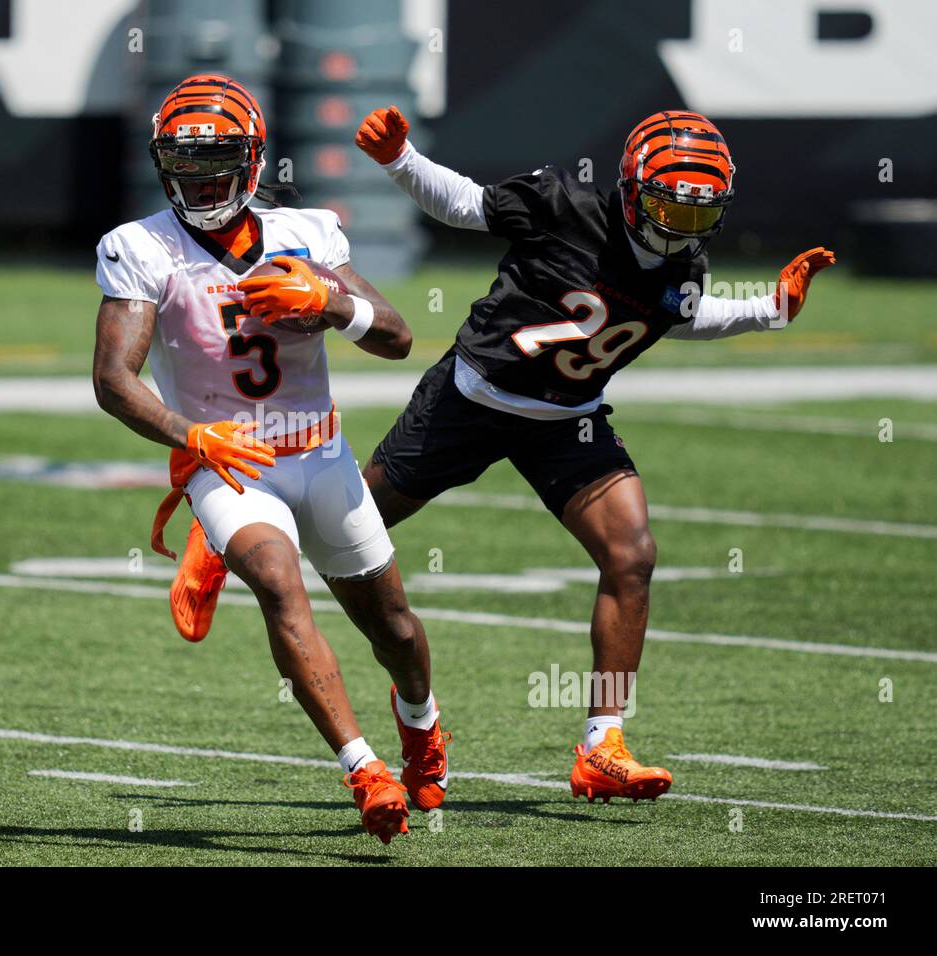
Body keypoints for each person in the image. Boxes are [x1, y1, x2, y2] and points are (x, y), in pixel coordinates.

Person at [354, 105, 835, 802]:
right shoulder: (560, 205)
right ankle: (230, 542)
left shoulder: (684, 261)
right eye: (669, 208)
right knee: (348, 531)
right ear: (632, 191)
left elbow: (679, 312)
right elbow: (464, 205)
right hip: (472, 401)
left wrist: (769, 309)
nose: (680, 229)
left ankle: (601, 743)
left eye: (697, 216)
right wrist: (401, 160)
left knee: (631, 554)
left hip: (567, 423)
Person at [92, 75, 450, 843]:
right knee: (280, 584)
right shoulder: (140, 246)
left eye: (214, 162)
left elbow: (397, 339)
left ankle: (419, 723)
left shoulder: (310, 233)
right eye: (183, 164)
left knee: (394, 628)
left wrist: (331, 305)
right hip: (228, 463)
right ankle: (364, 770)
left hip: (319, 452)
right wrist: (192, 437)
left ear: (253, 161)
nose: (198, 179)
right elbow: (113, 379)